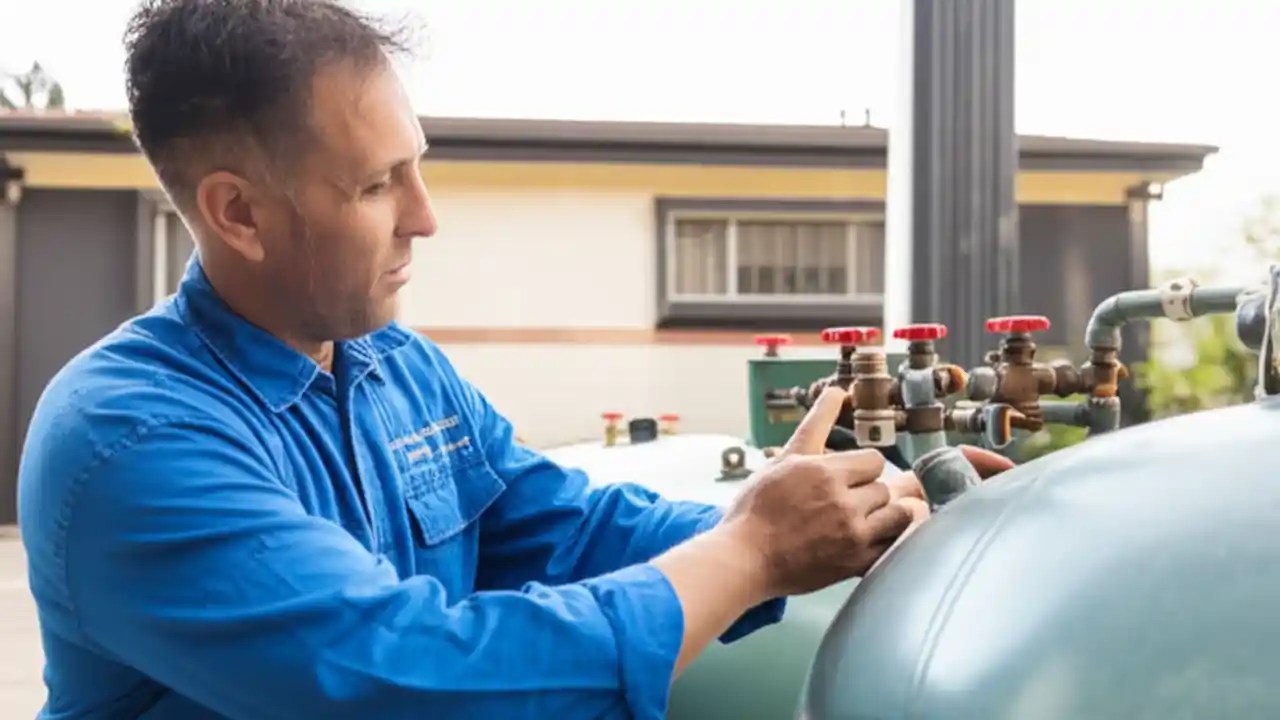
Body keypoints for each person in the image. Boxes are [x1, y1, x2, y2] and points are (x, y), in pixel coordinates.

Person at [17, 1, 1012, 718]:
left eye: (418, 167)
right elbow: (399, 680)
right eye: (375, 186)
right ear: (239, 212)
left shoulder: (392, 369)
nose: (424, 217)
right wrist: (749, 553)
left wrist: (851, 517)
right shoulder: (130, 442)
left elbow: (562, 527)